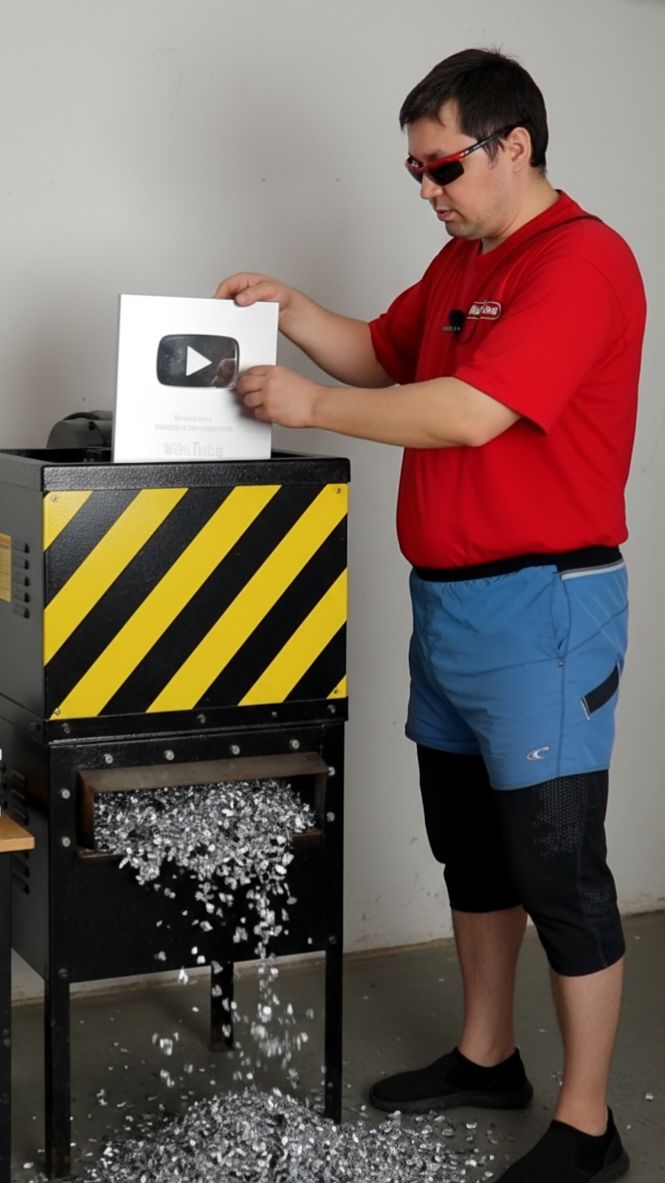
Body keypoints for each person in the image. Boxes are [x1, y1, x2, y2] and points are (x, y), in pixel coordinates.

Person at [215, 47, 646, 1182]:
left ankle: (588, 1126)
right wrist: (294, 312)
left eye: (441, 166)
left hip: (544, 607)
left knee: (558, 866)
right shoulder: (462, 261)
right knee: (470, 848)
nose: (427, 190)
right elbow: (383, 352)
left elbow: (468, 412)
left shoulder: (581, 261)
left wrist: (309, 405)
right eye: (414, 172)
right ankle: (485, 1054)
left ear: (514, 145)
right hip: (447, 608)